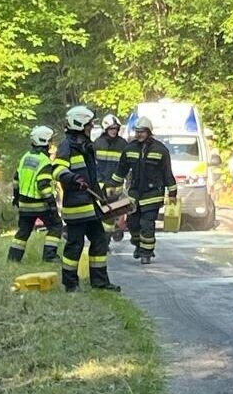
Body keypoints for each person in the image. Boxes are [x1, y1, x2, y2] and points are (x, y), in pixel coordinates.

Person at [57, 105, 119, 292]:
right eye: (89, 125)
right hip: (76, 208)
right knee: (74, 247)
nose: (91, 128)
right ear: (79, 124)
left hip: (90, 206)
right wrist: (73, 178)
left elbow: (92, 177)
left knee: (100, 241)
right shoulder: (67, 146)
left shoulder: (86, 146)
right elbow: (58, 170)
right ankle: (70, 284)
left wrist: (101, 197)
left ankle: (100, 283)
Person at [114, 120, 177, 263]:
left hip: (153, 194)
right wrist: (112, 186)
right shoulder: (129, 149)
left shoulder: (160, 150)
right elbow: (120, 170)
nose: (139, 134)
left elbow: (167, 173)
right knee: (132, 223)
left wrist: (172, 193)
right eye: (137, 132)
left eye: (142, 132)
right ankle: (138, 245)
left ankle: (146, 253)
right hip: (134, 194)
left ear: (149, 132)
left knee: (147, 224)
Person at [9, 126, 65, 263]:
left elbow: (16, 180)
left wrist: (16, 198)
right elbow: (43, 186)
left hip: (24, 204)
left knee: (23, 231)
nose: (52, 144)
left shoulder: (25, 157)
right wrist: (52, 205)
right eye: (51, 141)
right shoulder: (44, 161)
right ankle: (50, 256)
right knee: (56, 226)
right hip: (40, 204)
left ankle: (13, 259)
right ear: (45, 141)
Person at [93, 114, 131, 242]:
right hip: (99, 186)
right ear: (105, 129)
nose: (114, 130)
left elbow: (127, 166)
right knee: (99, 214)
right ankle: (102, 239)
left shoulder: (123, 144)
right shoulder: (97, 144)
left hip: (116, 187)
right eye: (111, 128)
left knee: (109, 214)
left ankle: (106, 240)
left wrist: (128, 180)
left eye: (116, 128)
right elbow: (92, 165)